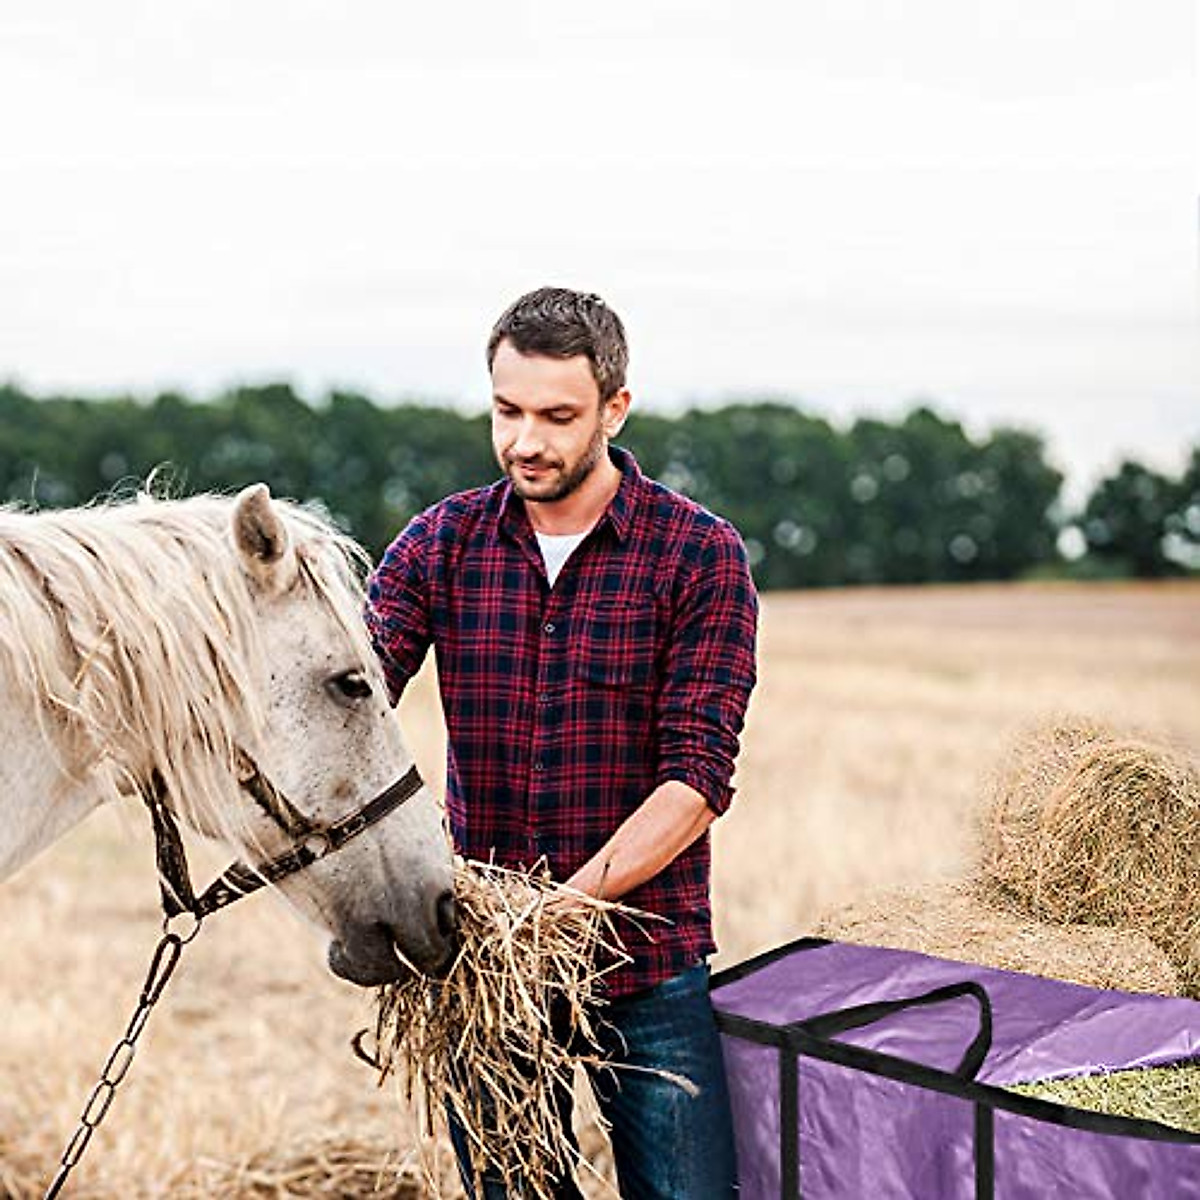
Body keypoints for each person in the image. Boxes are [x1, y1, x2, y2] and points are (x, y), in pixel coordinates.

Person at [365, 286, 758, 1198]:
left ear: (614, 409)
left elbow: (696, 778)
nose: (525, 442)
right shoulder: (438, 544)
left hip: (647, 965)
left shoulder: (698, 555)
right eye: (507, 411)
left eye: (556, 416)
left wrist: (556, 915)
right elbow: (353, 701)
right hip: (486, 975)